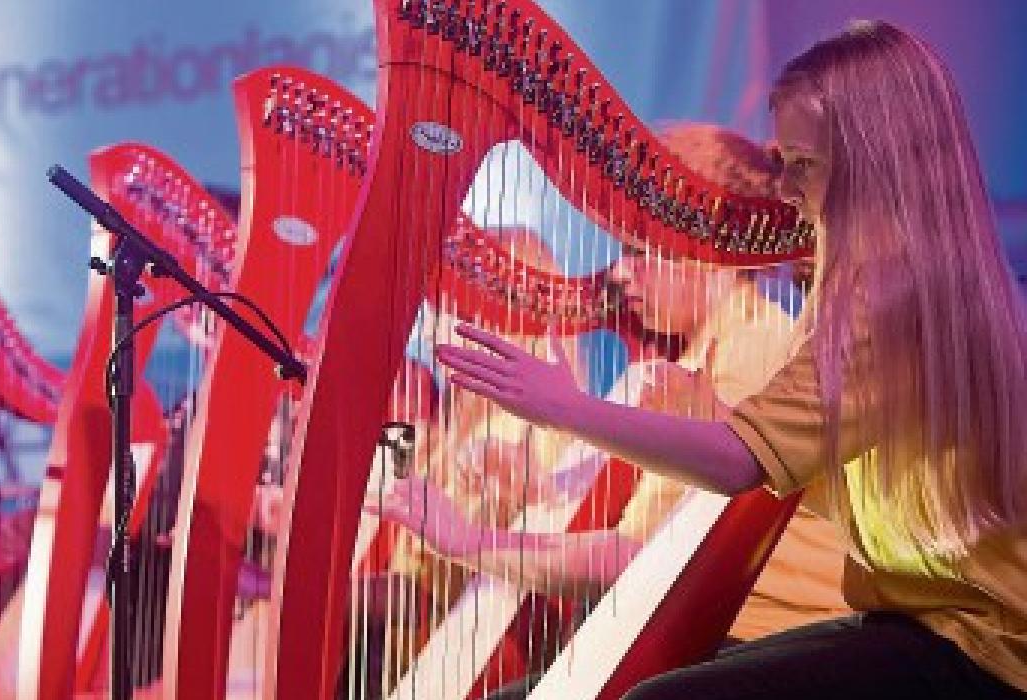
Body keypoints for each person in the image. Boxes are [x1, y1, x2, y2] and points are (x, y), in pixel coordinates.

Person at [436, 20, 1027, 699]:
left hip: (976, 638)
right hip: (926, 615)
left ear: (872, 157)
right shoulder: (904, 280)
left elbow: (738, 462)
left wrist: (564, 408)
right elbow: (815, 475)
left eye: (802, 166)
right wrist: (713, 418)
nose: (786, 192)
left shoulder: (890, 293)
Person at [373, 123, 851, 642]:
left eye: (641, 248)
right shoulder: (691, 353)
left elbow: (637, 556)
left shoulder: (753, 348)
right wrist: (529, 488)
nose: (620, 273)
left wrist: (466, 541)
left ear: (706, 244)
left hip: (765, 638)